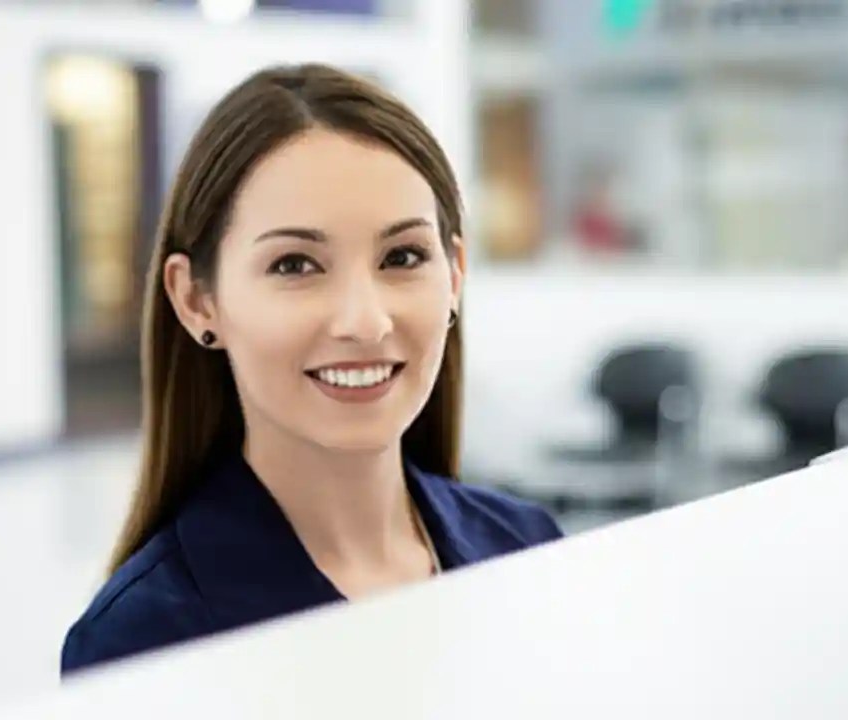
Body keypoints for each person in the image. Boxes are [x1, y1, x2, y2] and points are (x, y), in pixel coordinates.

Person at [60, 63, 563, 676]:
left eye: (402, 256)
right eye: (295, 265)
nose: (365, 321)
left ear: (455, 275)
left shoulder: (526, 547)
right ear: (196, 300)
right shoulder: (143, 641)